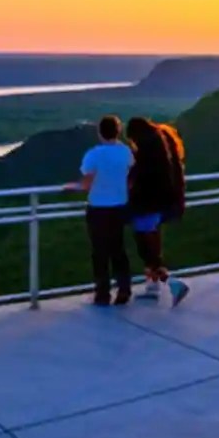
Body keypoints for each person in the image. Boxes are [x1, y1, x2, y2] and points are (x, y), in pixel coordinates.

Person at [67, 115, 135, 306]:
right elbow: (130, 176)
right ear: (118, 131)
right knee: (119, 250)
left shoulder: (93, 154)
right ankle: (124, 289)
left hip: (98, 208)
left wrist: (73, 187)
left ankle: (102, 293)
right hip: (120, 206)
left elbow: (87, 183)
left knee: (100, 252)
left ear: (100, 133)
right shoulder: (126, 152)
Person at [125, 117, 190, 307]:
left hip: (147, 204)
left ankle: (172, 283)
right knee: (152, 246)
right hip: (161, 204)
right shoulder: (162, 145)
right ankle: (152, 286)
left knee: (148, 250)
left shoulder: (147, 153)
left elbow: (137, 177)